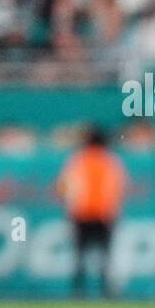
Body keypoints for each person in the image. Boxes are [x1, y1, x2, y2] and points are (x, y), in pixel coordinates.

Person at [56, 126, 127, 298]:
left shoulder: (78, 160)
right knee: (106, 257)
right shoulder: (110, 161)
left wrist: (70, 206)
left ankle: (79, 292)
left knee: (80, 256)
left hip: (81, 214)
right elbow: (118, 188)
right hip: (104, 214)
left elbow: (63, 187)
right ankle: (107, 291)